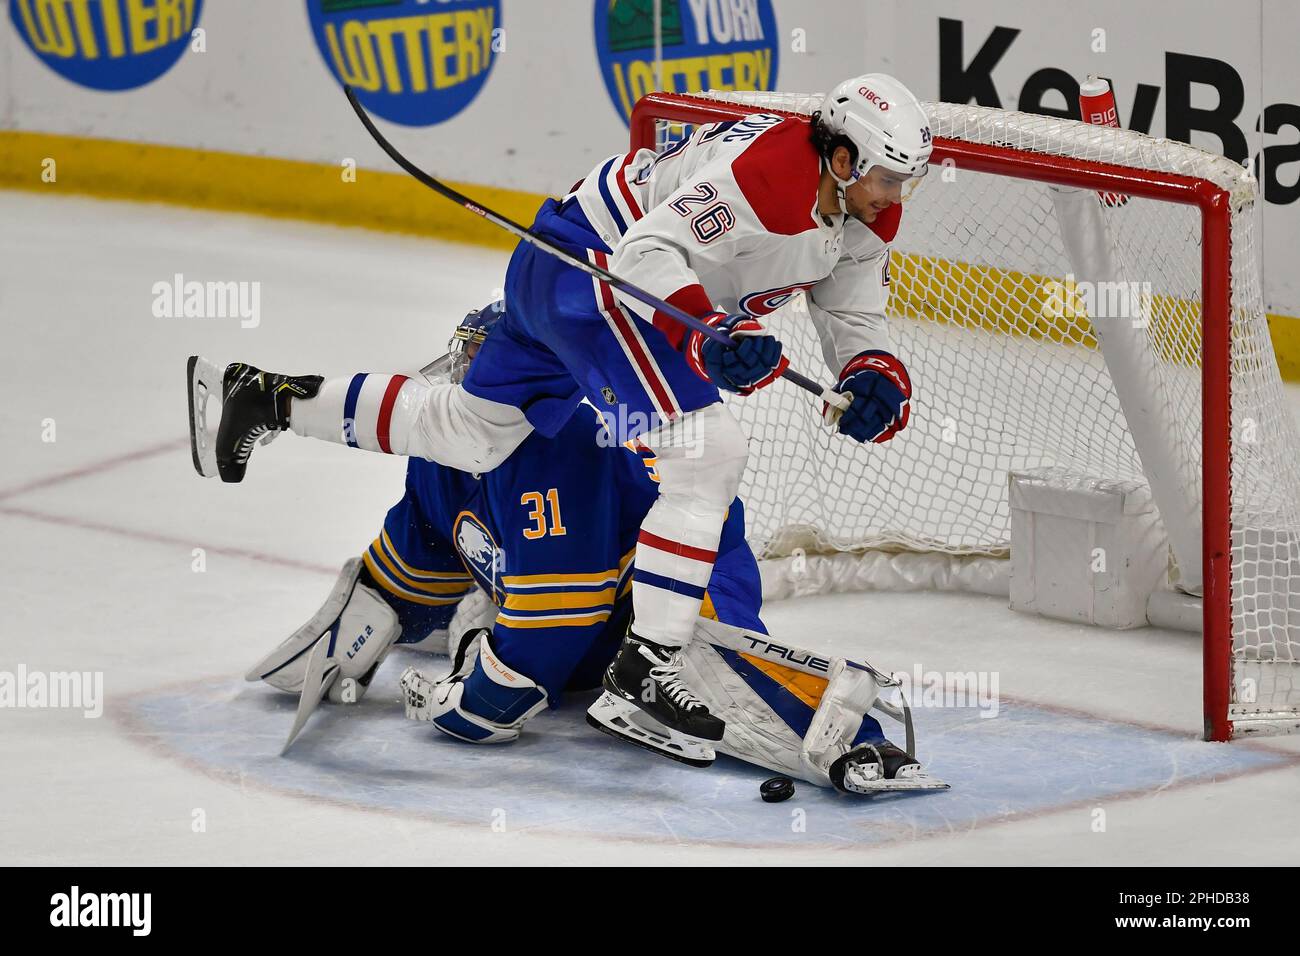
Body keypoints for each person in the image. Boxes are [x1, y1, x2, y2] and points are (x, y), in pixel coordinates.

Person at [196, 74, 932, 759]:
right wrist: (710, 334)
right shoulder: (766, 178)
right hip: (595, 273)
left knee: (470, 434)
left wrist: (871, 372)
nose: (896, 192)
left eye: (905, 179)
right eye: (886, 175)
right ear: (839, 156)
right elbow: (647, 250)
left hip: (555, 266)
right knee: (706, 452)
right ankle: (651, 665)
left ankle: (268, 398)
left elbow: (851, 305)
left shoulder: (865, 210)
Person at [222, 305, 945, 792]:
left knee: (700, 658)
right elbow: (416, 561)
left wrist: (466, 704)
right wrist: (363, 622)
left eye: (490, 366)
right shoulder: (444, 452)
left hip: (672, 579)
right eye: (469, 361)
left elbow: (552, 629)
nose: (473, 382)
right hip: (566, 601)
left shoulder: (556, 452)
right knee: (481, 612)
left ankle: (853, 733)